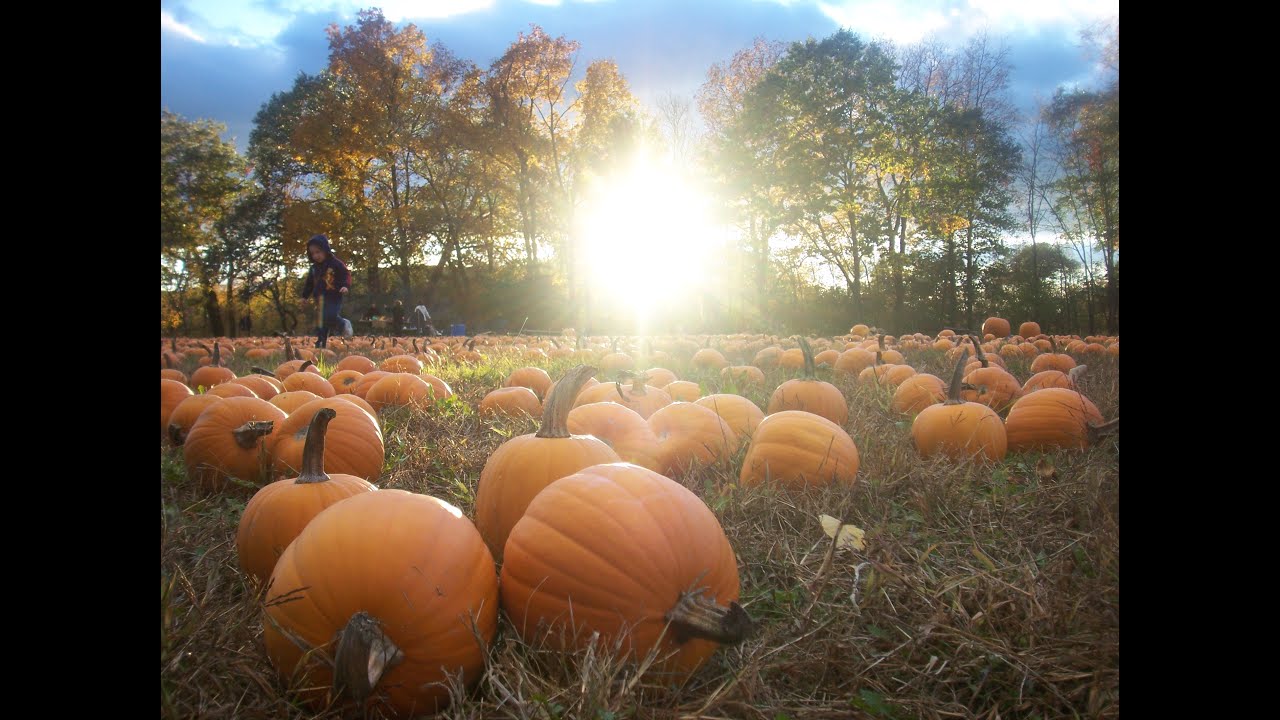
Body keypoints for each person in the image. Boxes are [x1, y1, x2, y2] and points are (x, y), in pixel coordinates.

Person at [301, 234, 350, 349]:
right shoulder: (313, 269)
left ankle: (343, 324)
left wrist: (345, 285)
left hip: (334, 296)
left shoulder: (335, 263)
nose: (315, 256)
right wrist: (304, 296)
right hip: (319, 298)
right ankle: (321, 343)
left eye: (318, 252)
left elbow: (346, 274)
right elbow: (309, 284)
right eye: (312, 253)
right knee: (321, 323)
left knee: (330, 315)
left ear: (325, 250)